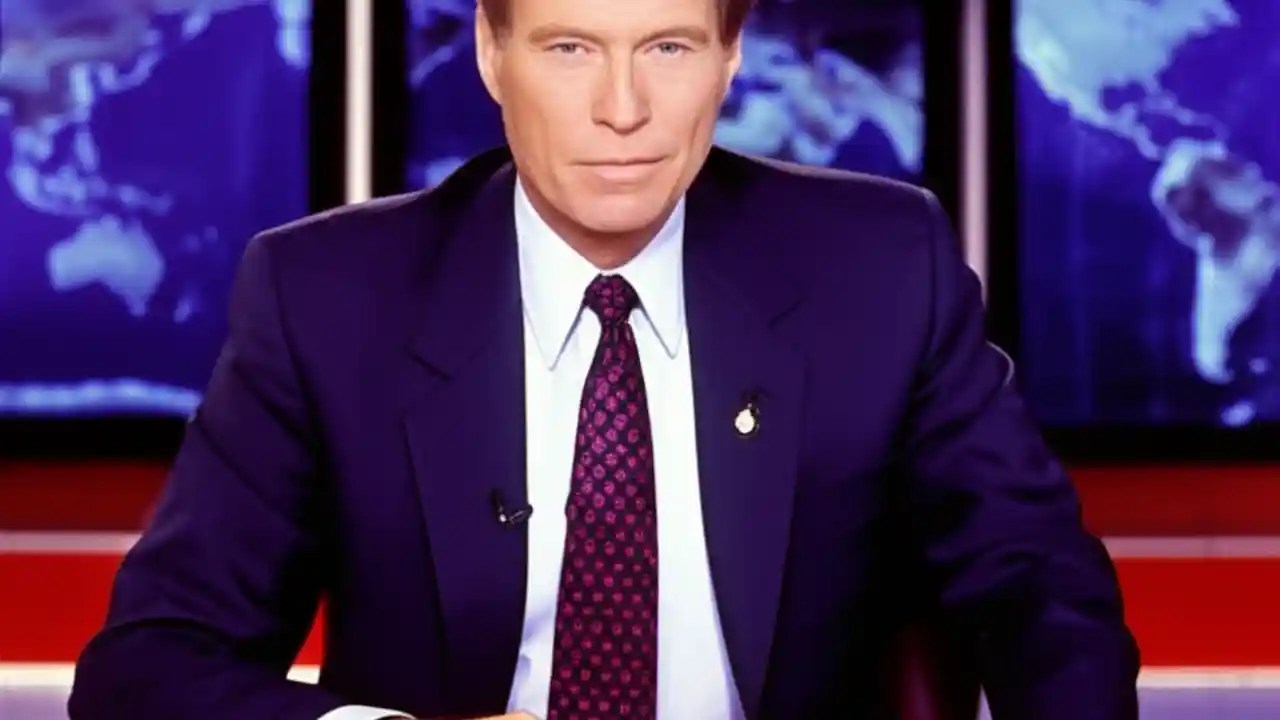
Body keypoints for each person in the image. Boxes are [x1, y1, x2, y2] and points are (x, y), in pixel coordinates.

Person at [69, 0, 1140, 718]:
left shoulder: (878, 266)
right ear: (492, 55)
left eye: (666, 47)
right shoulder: (327, 296)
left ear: (728, 58)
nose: (621, 110)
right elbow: (147, 669)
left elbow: (1040, 591)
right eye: (570, 47)